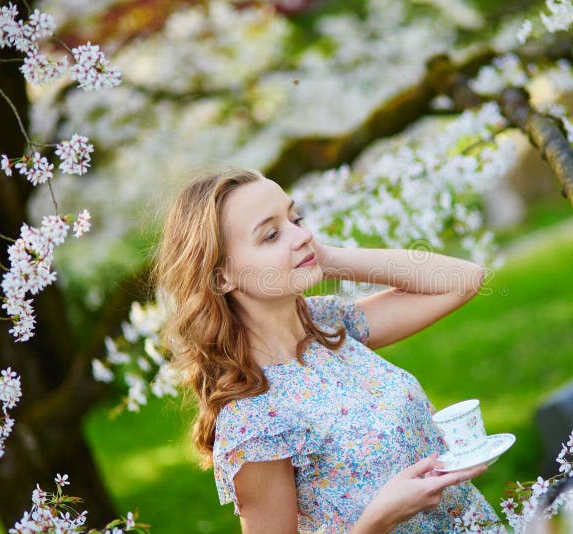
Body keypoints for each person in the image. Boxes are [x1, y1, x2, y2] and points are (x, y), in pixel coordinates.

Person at [154, 168, 501, 533]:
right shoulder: (254, 421)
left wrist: (323, 256)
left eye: (295, 218)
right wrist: (379, 519)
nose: (302, 235)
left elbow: (464, 280)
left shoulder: (326, 325)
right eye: (271, 235)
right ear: (222, 276)